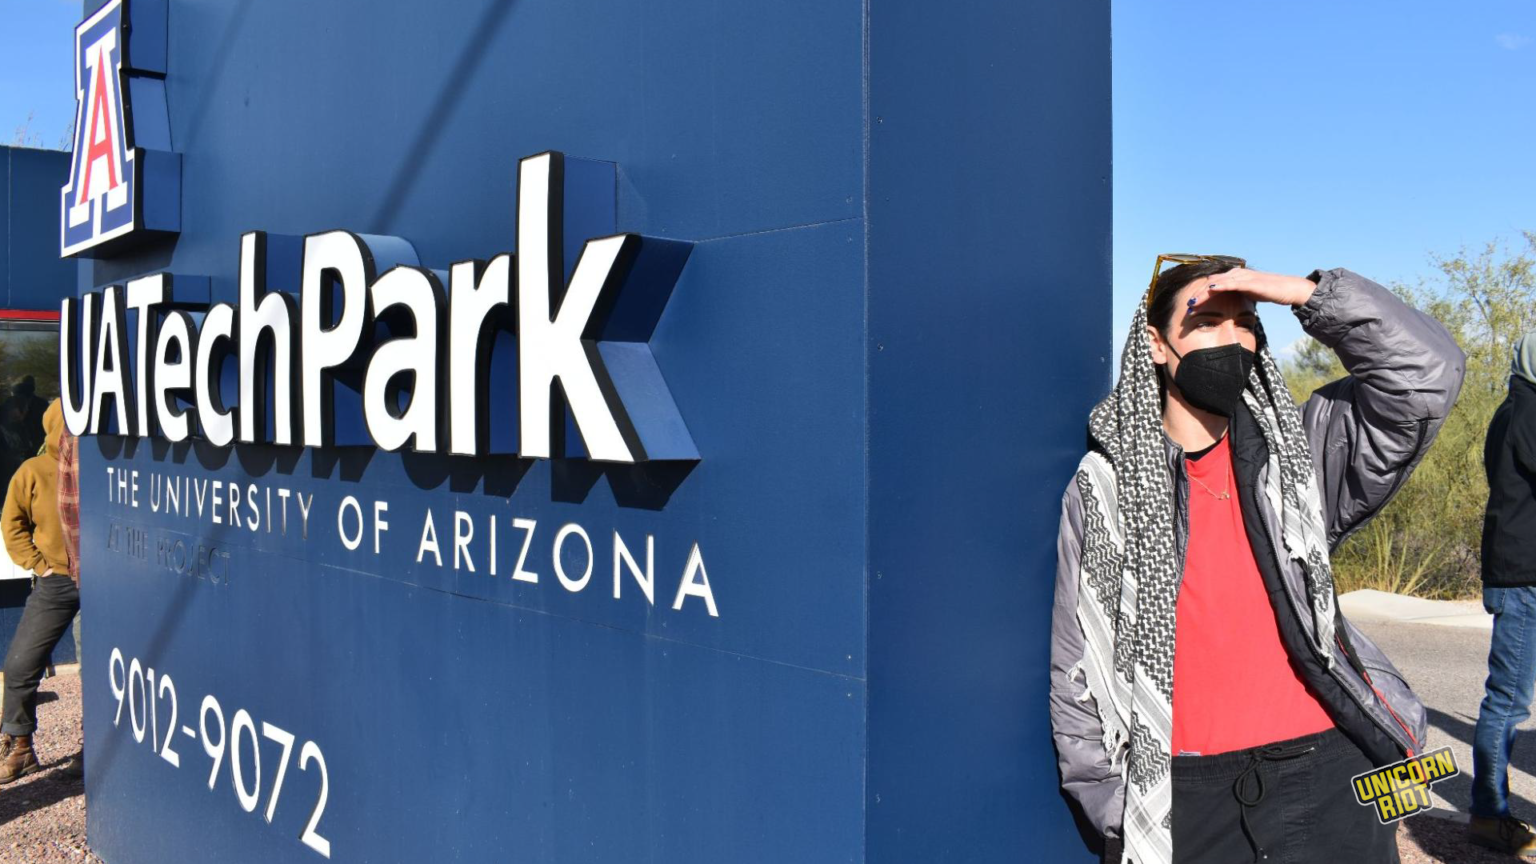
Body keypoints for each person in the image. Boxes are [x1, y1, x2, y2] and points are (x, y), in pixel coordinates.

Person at [1049, 257, 1464, 864]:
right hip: (1184, 793)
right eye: (1209, 321)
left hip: (1328, 768)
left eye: (1246, 322)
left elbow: (1427, 373)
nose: (1233, 338)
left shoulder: (1302, 456)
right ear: (1157, 345)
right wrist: (1115, 809)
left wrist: (1303, 294)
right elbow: (1076, 660)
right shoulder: (1104, 488)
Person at [1468, 330, 1536, 854]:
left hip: (1517, 572)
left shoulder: (1509, 410)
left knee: (1508, 702)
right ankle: (1489, 816)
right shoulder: (1530, 413)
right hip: (1523, 578)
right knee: (1508, 704)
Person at [0, 399, 80, 783]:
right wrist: (40, 565)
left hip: (101, 583)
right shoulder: (32, 471)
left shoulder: (97, 466)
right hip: (56, 582)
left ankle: (92, 747)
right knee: (20, 664)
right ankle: (20, 747)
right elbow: (12, 525)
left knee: (98, 667)